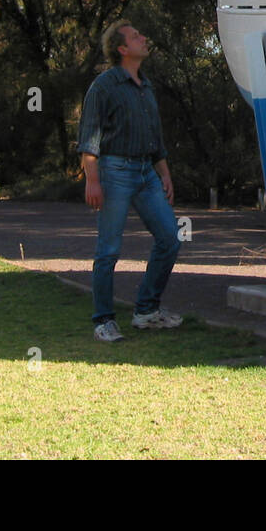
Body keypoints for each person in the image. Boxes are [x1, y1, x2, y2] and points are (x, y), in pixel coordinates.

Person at [77, 21, 182, 342]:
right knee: (108, 250)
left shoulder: (146, 86)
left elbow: (156, 137)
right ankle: (103, 321)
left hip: (146, 173)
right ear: (122, 49)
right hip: (114, 172)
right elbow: (88, 139)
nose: (143, 38)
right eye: (136, 36)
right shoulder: (104, 86)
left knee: (170, 239)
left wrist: (164, 173)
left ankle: (146, 312)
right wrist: (92, 180)